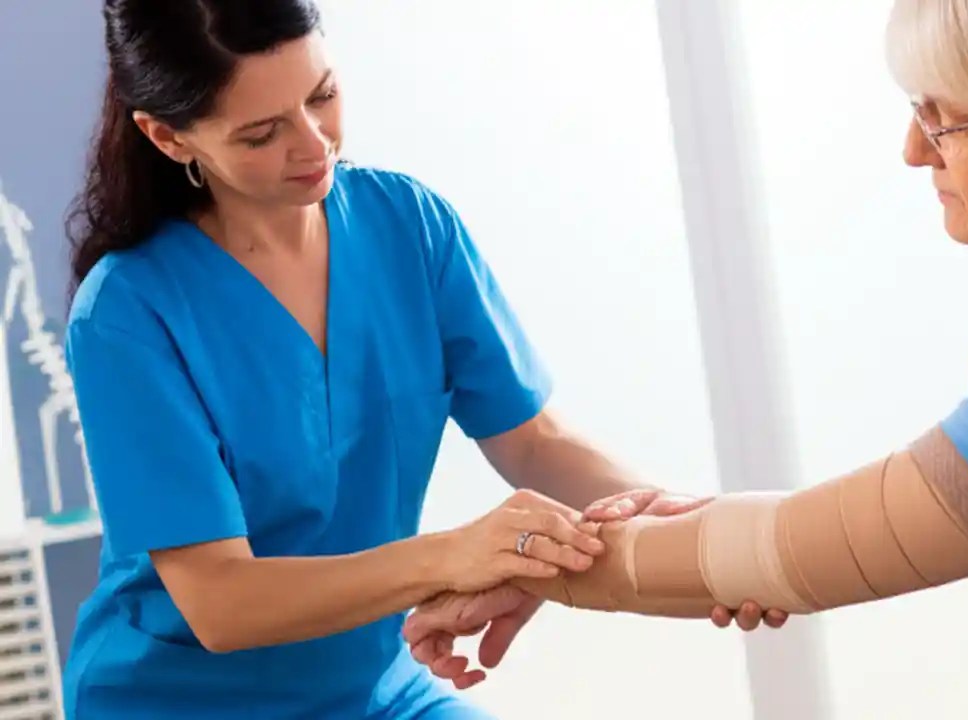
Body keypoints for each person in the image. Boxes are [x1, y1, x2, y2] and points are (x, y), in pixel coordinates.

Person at [403, 0, 968, 717]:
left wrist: (540, 564)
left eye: (949, 125)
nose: (913, 152)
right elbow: (915, 502)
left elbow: (831, 546)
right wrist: (679, 528)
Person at [60, 1, 774, 717]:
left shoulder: (409, 226)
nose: (314, 146)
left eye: (322, 96)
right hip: (178, 703)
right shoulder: (127, 313)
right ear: (168, 136)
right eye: (262, 133)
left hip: (375, 692)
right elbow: (219, 601)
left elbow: (536, 442)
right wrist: (450, 558)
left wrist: (697, 542)